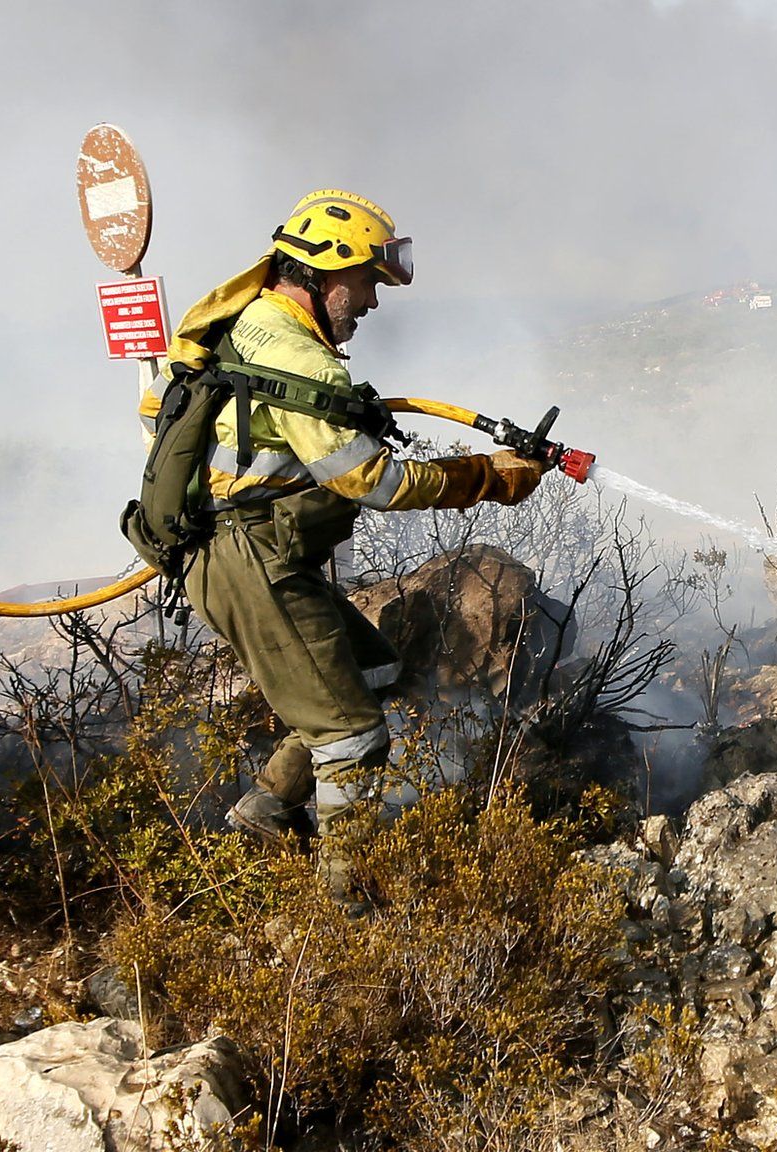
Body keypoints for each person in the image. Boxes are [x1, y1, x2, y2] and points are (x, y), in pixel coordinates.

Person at [143, 189, 552, 901]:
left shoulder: (246, 320)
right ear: (330, 272)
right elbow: (374, 480)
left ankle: (265, 817)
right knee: (354, 740)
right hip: (252, 562)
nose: (370, 301)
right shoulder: (301, 358)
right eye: (366, 283)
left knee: (369, 671)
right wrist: (489, 476)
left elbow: (161, 412)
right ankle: (345, 913)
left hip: (248, 553)